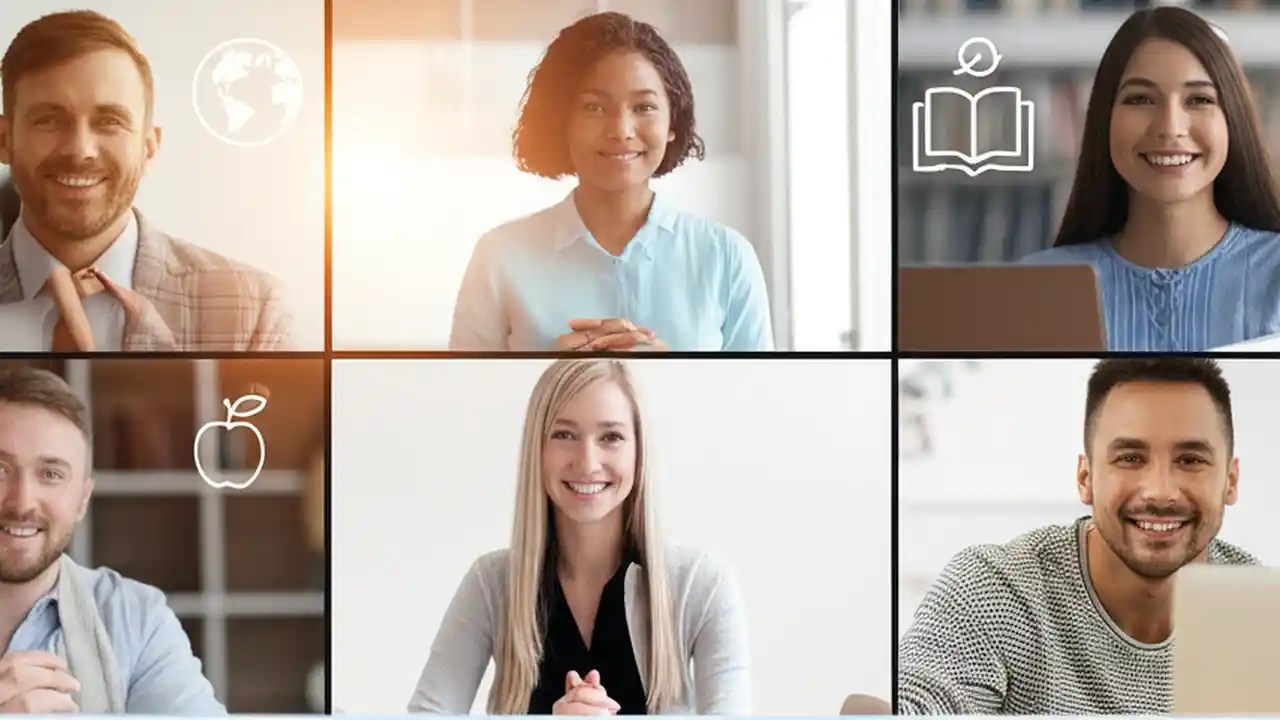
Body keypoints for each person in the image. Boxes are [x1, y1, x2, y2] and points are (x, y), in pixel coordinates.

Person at [898, 357, 1259, 714]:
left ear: (1230, 481)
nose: (1160, 492)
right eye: (1130, 458)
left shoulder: (1257, 615)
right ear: (1085, 479)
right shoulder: (995, 590)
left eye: (1191, 460)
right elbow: (922, 701)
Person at [408, 358, 750, 714]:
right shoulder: (492, 583)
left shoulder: (701, 583)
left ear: (639, 452)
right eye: (564, 435)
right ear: (536, 451)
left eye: (611, 437)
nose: (587, 462)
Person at [448, 12, 773, 352]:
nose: (621, 130)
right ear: (561, 121)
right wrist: (553, 379)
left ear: (672, 122)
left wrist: (674, 376)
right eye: (594, 107)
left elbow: (756, 402)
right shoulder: (500, 258)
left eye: (644, 106)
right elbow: (460, 401)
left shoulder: (726, 257)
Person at [0, 10, 292, 351]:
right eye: (49, 120)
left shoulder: (253, 310)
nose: (80, 150)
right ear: (4, 140)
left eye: (109, 121)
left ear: (149, 148)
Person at [1021, 6, 1280, 352]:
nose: (1170, 127)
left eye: (1199, 99)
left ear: (1232, 119)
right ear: (1105, 118)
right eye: (1140, 99)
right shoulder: (1036, 286)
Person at [0, 366, 225, 714]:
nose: (22, 502)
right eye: (0, 470)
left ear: (82, 500)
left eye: (51, 474)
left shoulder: (137, 619)